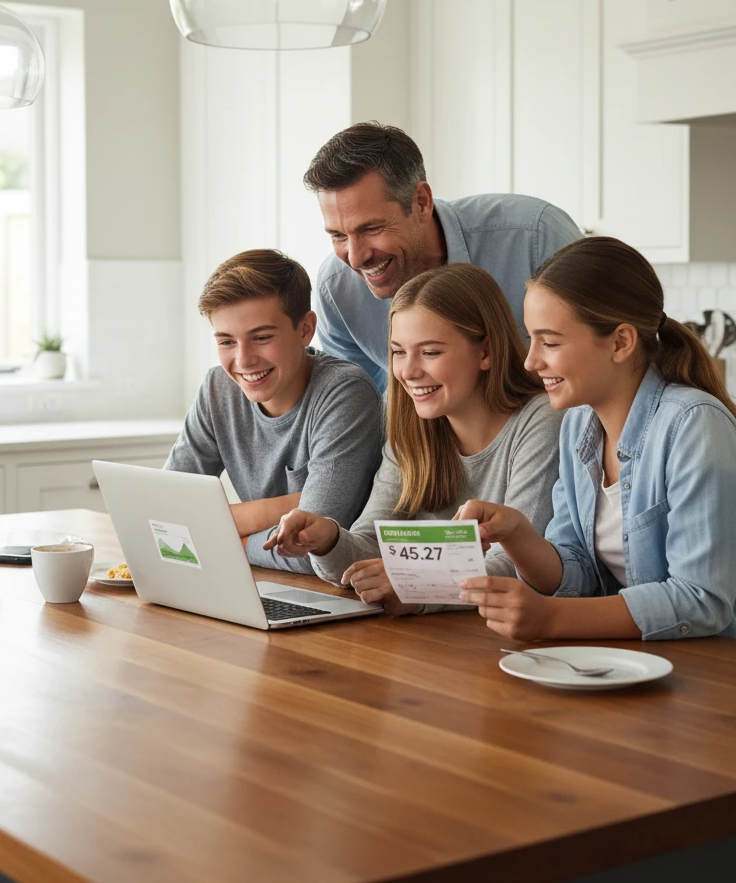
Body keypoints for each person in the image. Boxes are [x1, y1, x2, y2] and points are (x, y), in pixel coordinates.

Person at [457, 236, 736, 646]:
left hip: (732, 680)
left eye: (551, 342)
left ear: (621, 342)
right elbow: (579, 572)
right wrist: (517, 534)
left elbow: (701, 600)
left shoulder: (694, 425)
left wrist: (551, 618)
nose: (530, 361)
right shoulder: (578, 424)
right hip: (644, 668)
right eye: (532, 339)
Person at [267, 263, 563, 613]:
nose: (408, 371)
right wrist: (327, 539)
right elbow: (369, 547)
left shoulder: (542, 419)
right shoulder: (409, 414)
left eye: (431, 352)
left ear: (485, 352)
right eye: (398, 351)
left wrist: (417, 587)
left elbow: (516, 567)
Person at [305, 122, 581, 391]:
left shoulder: (535, 235)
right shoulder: (337, 290)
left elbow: (602, 362)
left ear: (422, 202)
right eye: (338, 235)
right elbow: (359, 408)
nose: (354, 258)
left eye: (372, 228)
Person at [164, 249, 383, 575]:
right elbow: (166, 514)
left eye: (262, 337)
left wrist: (217, 538)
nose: (244, 361)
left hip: (341, 592)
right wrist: (288, 505)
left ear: (306, 329)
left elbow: (310, 548)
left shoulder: (344, 392)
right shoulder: (217, 388)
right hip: (263, 580)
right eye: (226, 342)